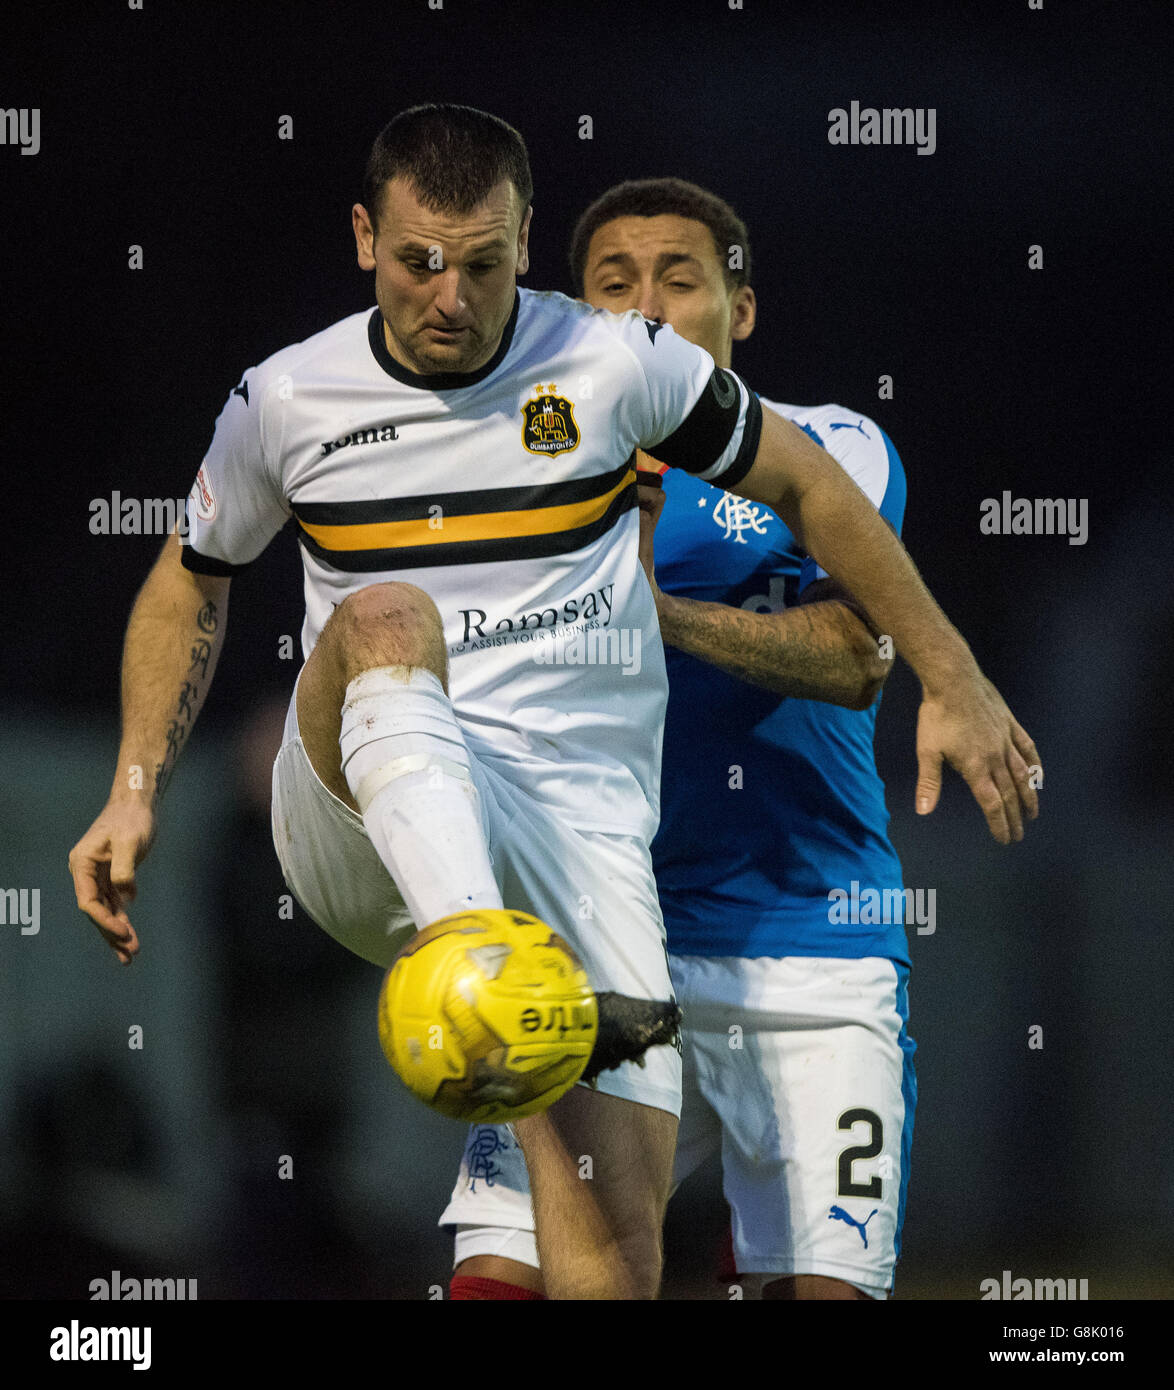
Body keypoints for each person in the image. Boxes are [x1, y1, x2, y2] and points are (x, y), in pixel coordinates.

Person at [68, 109, 1039, 1302]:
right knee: (386, 617)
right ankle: (471, 946)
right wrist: (132, 788)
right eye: (418, 261)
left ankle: (502, 969)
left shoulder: (614, 369)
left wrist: (953, 674)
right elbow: (189, 574)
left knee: (609, 1258)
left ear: (522, 244)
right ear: (365, 236)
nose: (449, 295)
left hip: (594, 861)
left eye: (481, 263)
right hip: (361, 823)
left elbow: (805, 487)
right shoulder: (284, 398)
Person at [439, 178, 1018, 1300]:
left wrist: (651, 613)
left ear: (740, 311)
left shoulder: (826, 449)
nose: (647, 304)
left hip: (812, 946)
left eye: (680, 278)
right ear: (579, 312)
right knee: (503, 1278)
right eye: (615, 283)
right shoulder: (529, 461)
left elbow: (857, 658)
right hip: (602, 943)